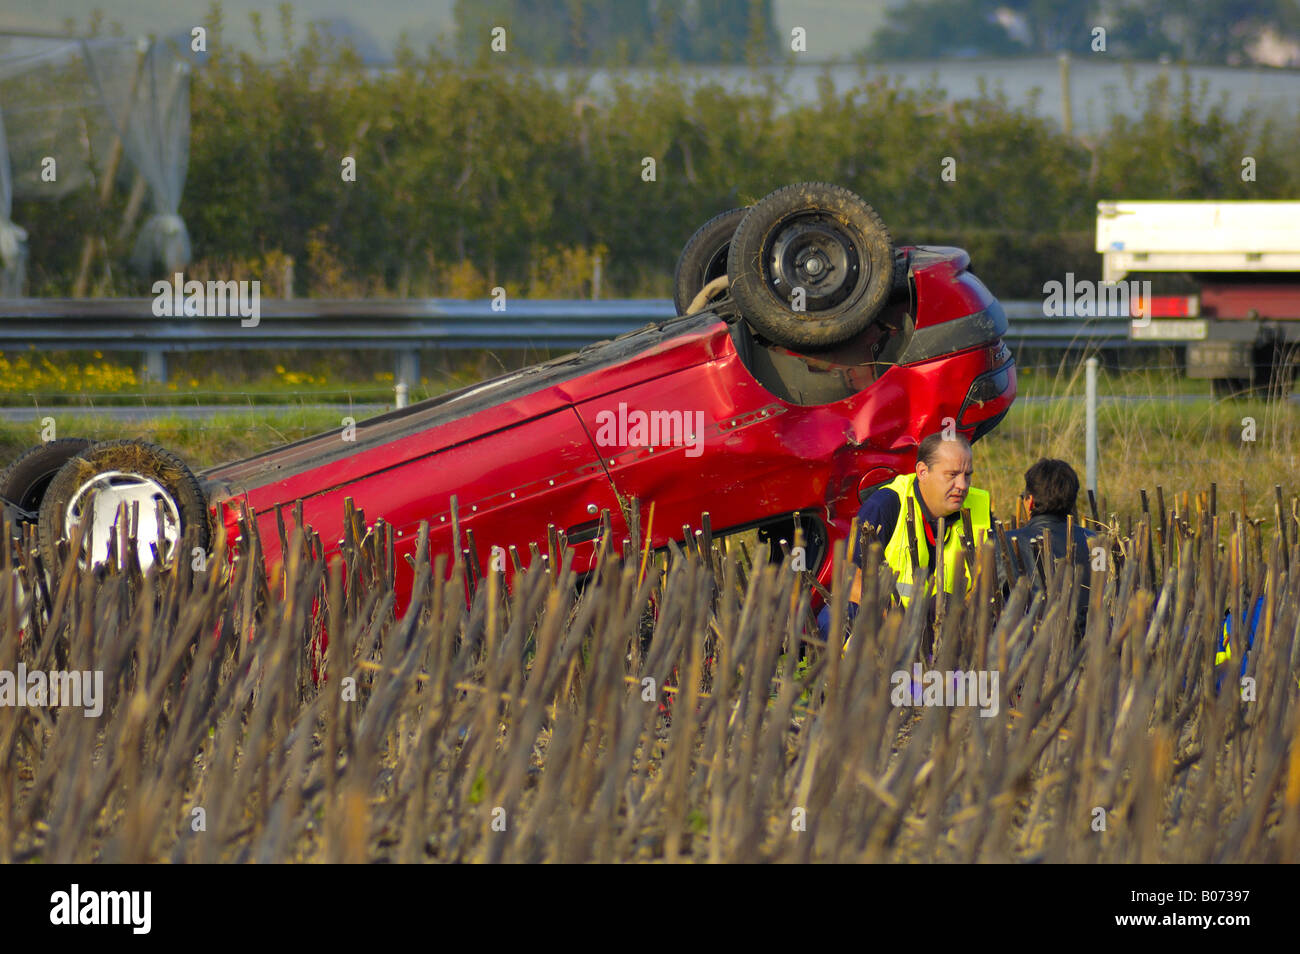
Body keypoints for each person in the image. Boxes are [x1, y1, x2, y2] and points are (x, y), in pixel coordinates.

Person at [819, 431, 992, 636]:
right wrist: (894, 627)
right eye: (952, 475)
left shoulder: (978, 509)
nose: (962, 485)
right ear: (922, 472)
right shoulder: (886, 505)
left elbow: (986, 582)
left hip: (945, 625)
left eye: (968, 475)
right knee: (838, 616)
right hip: (886, 622)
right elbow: (850, 578)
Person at [998, 458, 1095, 638]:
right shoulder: (1094, 541)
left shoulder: (1006, 543)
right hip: (1088, 650)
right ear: (1072, 502)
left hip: (1027, 652)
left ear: (1030, 501)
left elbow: (991, 604)